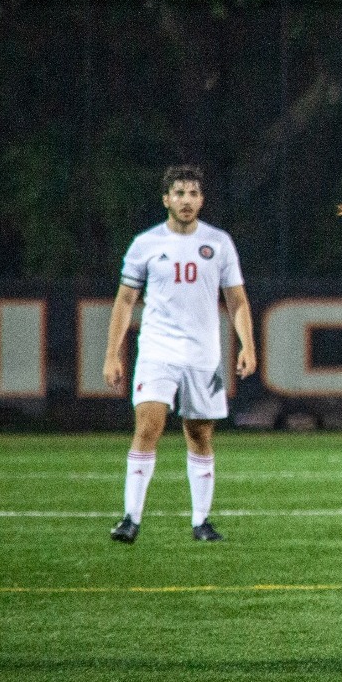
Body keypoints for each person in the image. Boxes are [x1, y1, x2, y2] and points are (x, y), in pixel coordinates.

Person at [103, 166, 257, 544]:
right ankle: (130, 519)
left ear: (201, 200)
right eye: (179, 193)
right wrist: (112, 353)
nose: (186, 200)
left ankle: (201, 522)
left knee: (200, 434)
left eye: (193, 193)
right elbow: (125, 300)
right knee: (147, 426)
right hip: (158, 350)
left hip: (203, 355)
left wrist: (247, 344)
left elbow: (236, 299)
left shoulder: (219, 242)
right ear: (166, 199)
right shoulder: (145, 244)